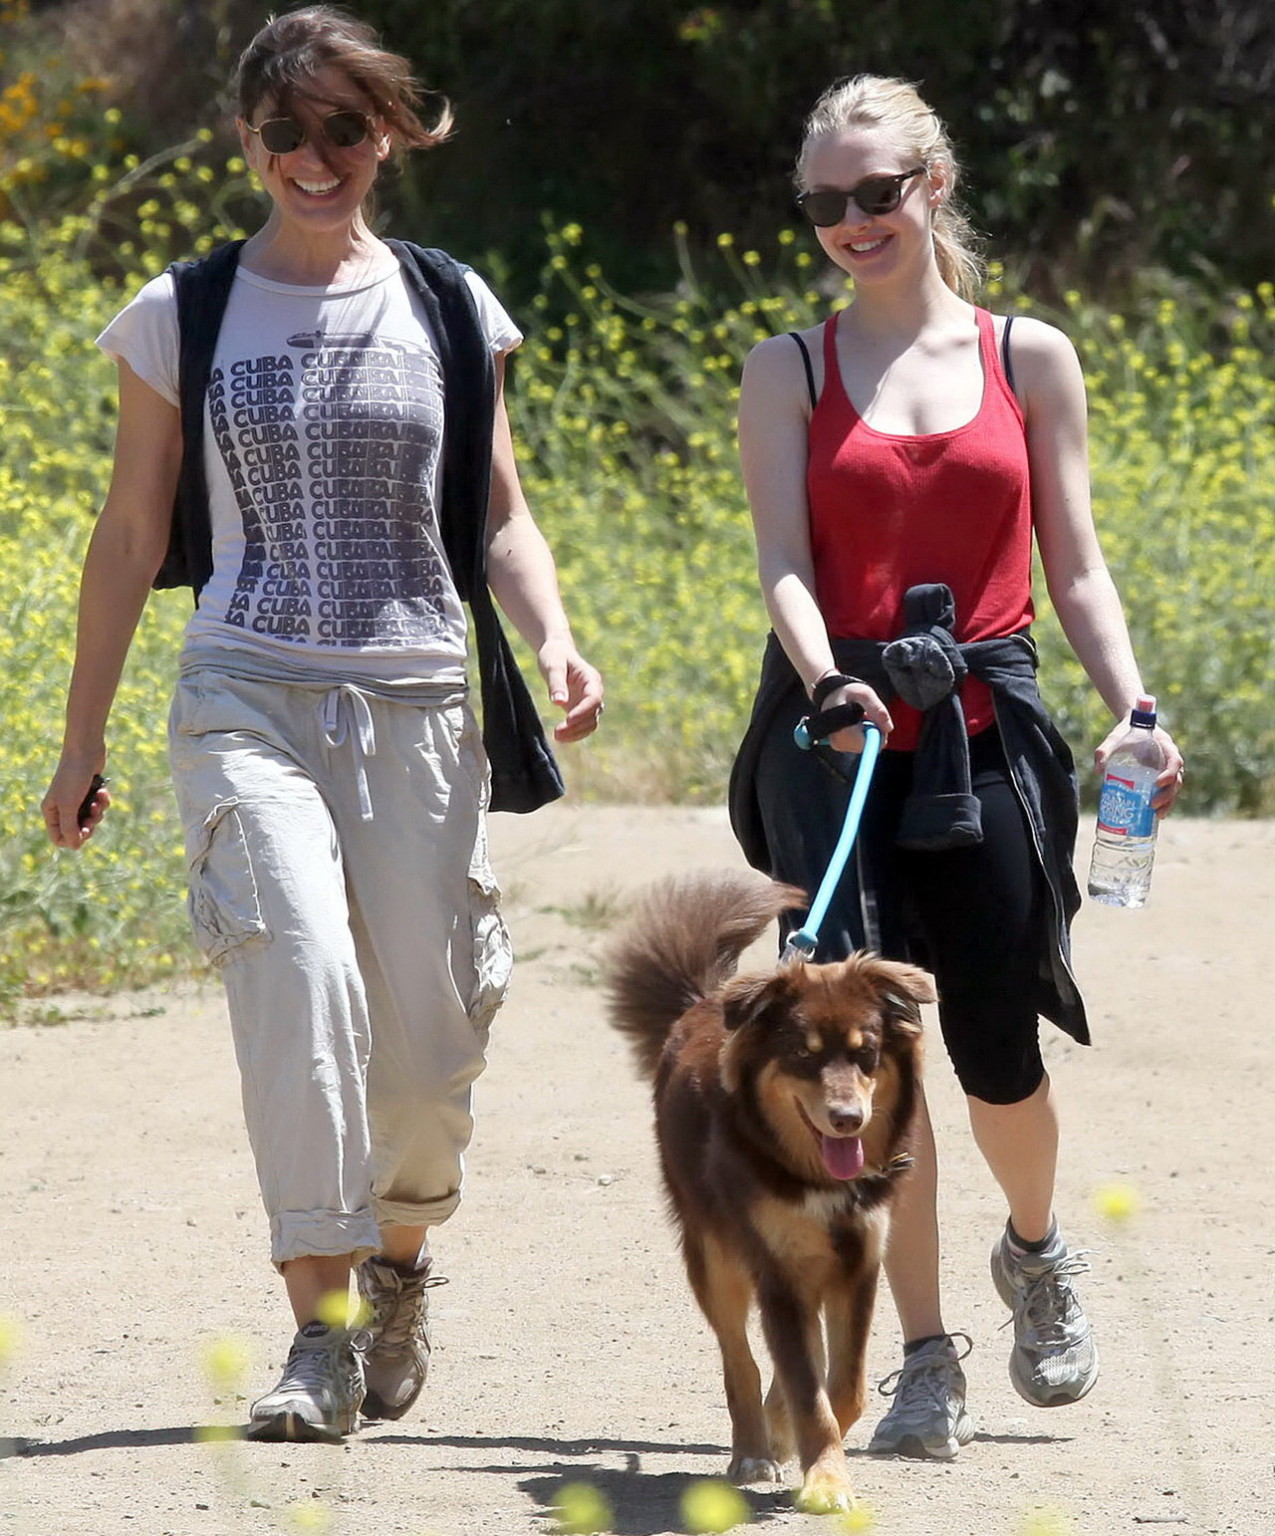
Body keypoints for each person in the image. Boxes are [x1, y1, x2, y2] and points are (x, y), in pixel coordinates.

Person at [42, 6, 601, 1444]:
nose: (314, 157)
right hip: (244, 695)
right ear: (246, 141)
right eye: (284, 130)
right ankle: (319, 1331)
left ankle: (403, 1262)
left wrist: (555, 638)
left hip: (419, 704)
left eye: (343, 128)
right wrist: (80, 734)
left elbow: (500, 513)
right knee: (297, 979)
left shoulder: (450, 305)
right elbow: (124, 534)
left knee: (426, 1049)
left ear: (391, 134)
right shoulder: (186, 312)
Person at [729, 75, 1184, 1461]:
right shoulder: (786, 370)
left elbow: (1078, 565)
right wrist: (832, 683)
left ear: (931, 185)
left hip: (987, 720)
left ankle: (1037, 1252)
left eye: (876, 193)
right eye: (826, 203)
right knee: (870, 1058)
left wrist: (1135, 705)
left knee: (998, 1052)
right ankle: (925, 1356)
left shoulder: (1026, 355)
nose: (853, 221)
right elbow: (784, 566)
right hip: (846, 731)